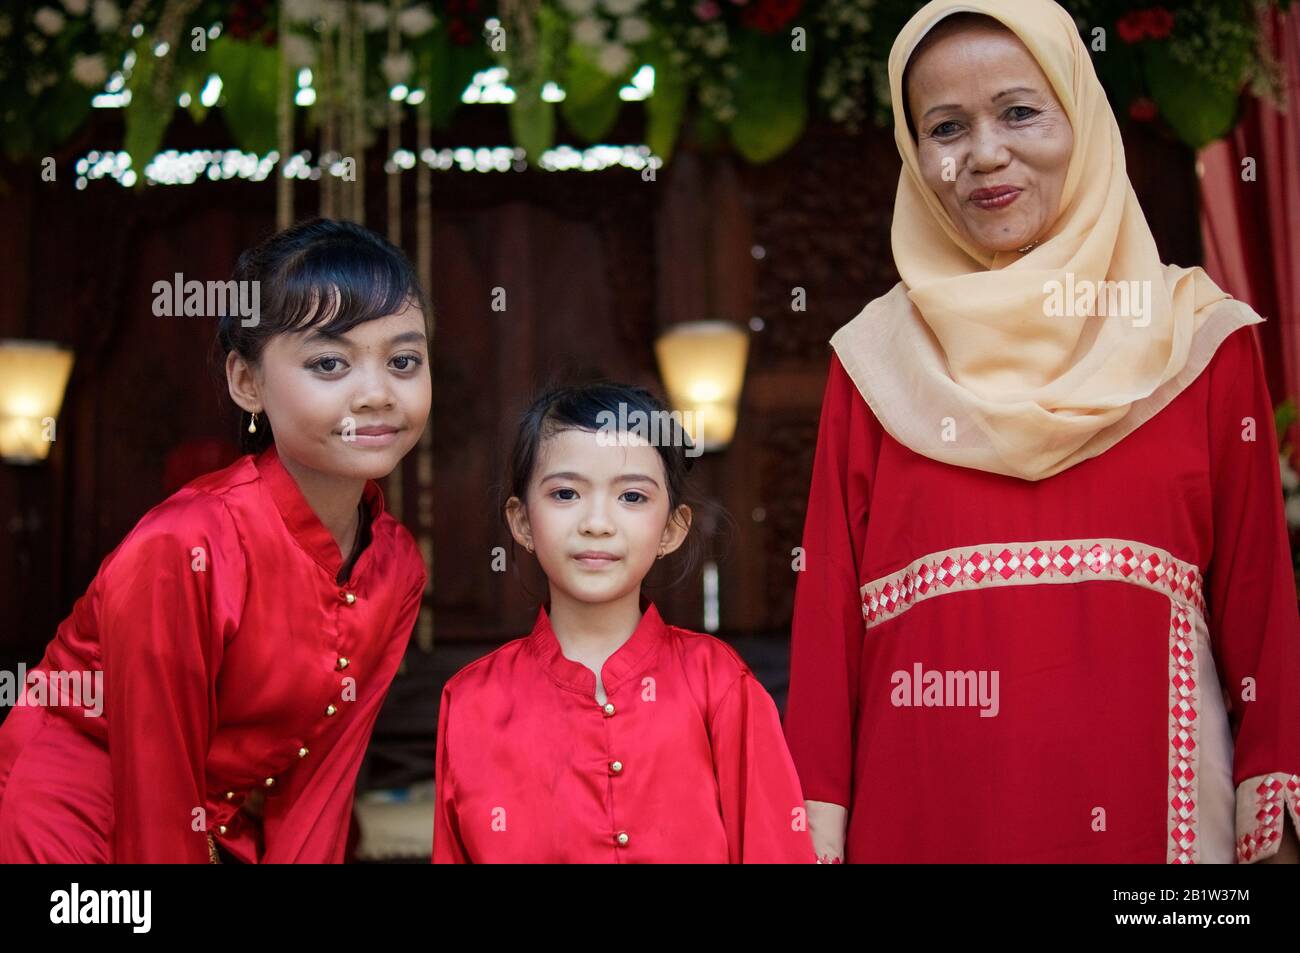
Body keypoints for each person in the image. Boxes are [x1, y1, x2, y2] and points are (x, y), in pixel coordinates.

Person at [784, 0, 1300, 863]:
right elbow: (828, 616)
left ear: (1084, 117)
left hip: (1162, 832)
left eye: (1020, 110)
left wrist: (1273, 796)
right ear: (915, 155)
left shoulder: (1201, 341)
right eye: (945, 126)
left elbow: (1259, 601)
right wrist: (813, 823)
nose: (985, 154)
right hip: (922, 819)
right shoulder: (875, 362)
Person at [0, 218, 431, 862]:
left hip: (211, 824)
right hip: (73, 813)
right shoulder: (185, 544)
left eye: (403, 361)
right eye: (329, 362)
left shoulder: (396, 566)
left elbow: (323, 787)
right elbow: (155, 788)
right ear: (246, 382)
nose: (376, 394)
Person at [433, 382, 814, 862]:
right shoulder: (474, 701)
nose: (597, 522)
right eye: (566, 493)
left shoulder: (718, 683)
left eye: (632, 497)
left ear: (672, 529)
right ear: (522, 521)